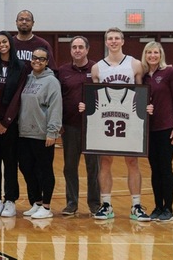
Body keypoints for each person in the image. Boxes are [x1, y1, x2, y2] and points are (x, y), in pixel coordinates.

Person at [89, 27, 147, 221]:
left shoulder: (135, 64)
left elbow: (141, 94)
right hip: (106, 120)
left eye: (116, 38)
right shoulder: (97, 67)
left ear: (122, 41)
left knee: (132, 162)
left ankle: (136, 206)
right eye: (110, 39)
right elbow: (94, 97)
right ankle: (106, 204)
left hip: (129, 121)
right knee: (105, 161)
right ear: (106, 42)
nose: (113, 41)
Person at [17, 47, 62, 219]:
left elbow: (55, 108)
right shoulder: (27, 79)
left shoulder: (51, 81)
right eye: (34, 58)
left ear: (47, 62)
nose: (37, 61)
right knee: (27, 168)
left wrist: (52, 132)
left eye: (41, 59)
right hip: (24, 133)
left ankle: (46, 206)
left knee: (44, 170)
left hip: (42, 134)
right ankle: (36, 202)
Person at [57, 36, 100, 216]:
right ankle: (71, 204)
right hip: (70, 126)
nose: (77, 50)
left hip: (93, 127)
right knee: (70, 167)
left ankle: (95, 205)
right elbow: (57, 98)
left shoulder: (97, 68)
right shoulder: (62, 71)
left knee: (93, 167)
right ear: (71, 50)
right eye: (74, 47)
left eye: (81, 47)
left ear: (87, 49)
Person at [0, 32, 25, 218]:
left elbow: (19, 96)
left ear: (10, 43)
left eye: (5, 41)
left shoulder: (20, 67)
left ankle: (10, 199)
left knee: (10, 162)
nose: (2, 45)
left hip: (10, 124)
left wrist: (6, 122)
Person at [142, 41, 173, 222]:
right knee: (154, 169)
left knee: (165, 168)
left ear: (161, 54)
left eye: (155, 52)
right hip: (149, 130)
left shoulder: (169, 72)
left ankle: (169, 209)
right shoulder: (143, 76)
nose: (152, 56)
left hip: (166, 128)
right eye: (149, 52)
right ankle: (158, 207)